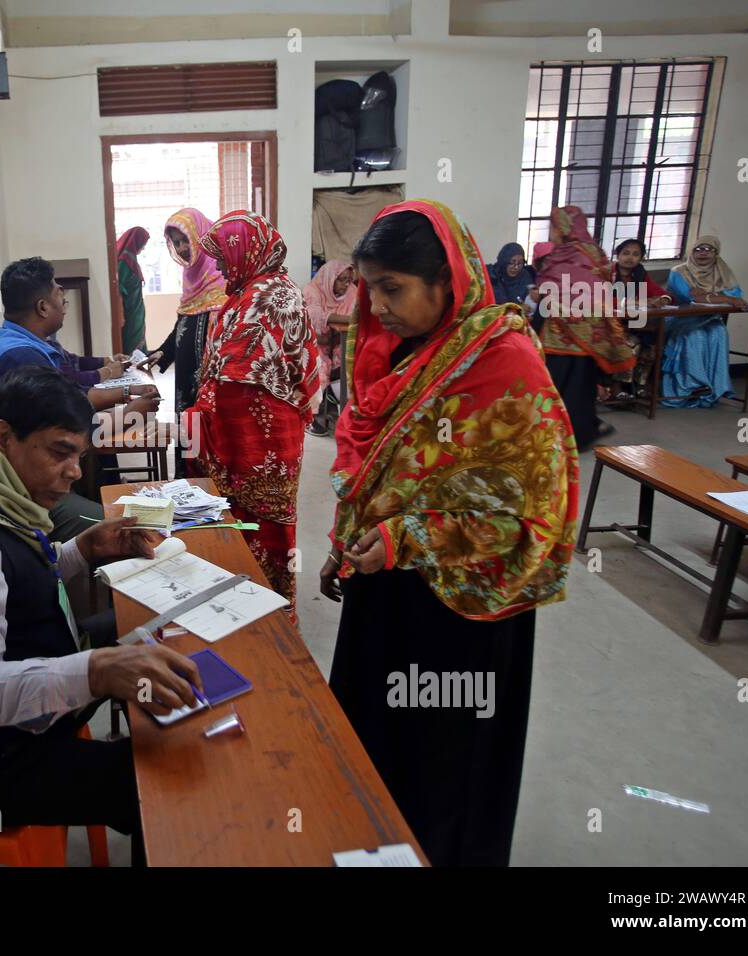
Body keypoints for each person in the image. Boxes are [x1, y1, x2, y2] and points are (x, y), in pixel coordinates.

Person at [322, 199, 579, 867]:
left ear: (449, 281)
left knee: (444, 764)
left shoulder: (506, 367)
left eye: (393, 288)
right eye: (371, 287)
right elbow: (372, 469)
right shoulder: (391, 351)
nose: (377, 307)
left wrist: (411, 537)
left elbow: (532, 515)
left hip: (462, 609)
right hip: (388, 592)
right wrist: (346, 539)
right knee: (378, 746)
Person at [0, 365, 203, 863]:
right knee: (160, 784)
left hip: (17, 698)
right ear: (5, 437)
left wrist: (81, 550)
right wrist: (96, 671)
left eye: (79, 455)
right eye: (60, 452)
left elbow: (17, 583)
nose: (74, 472)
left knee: (143, 636)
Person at [0, 257, 159, 539]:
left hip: (26, 474)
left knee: (110, 495)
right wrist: (130, 412)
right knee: (129, 529)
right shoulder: (21, 356)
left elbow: (69, 402)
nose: (64, 306)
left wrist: (127, 399)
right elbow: (71, 428)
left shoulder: (30, 342)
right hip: (8, 491)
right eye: (60, 296)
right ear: (43, 307)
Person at [183, 210, 319, 610]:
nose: (222, 267)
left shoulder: (271, 295)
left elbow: (235, 373)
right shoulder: (244, 293)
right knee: (237, 526)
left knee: (266, 530)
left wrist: (203, 411)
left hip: (263, 442)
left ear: (248, 252)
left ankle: (272, 614)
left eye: (226, 258)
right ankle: (241, 608)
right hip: (238, 438)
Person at [535, 206, 634, 450]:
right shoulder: (594, 253)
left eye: (553, 227)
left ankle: (559, 437)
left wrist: (542, 295)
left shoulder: (572, 255)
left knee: (557, 388)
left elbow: (564, 293)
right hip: (589, 337)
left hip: (562, 338)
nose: (551, 233)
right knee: (579, 388)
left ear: (565, 228)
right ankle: (579, 434)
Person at [143, 208, 227, 418]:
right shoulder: (191, 279)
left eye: (185, 240)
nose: (181, 248)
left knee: (208, 438)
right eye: (176, 242)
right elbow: (182, 328)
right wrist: (163, 352)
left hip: (215, 385)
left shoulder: (223, 281)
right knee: (189, 434)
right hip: (185, 381)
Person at [662, 235, 745, 408]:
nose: (703, 253)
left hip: (709, 317)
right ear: (691, 252)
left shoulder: (722, 271)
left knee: (719, 332)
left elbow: (736, 295)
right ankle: (689, 387)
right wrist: (722, 297)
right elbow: (691, 296)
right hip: (681, 319)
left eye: (708, 249)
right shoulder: (679, 272)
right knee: (695, 335)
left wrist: (712, 297)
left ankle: (712, 388)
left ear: (716, 253)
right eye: (698, 249)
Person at [607, 238, 673, 401]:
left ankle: (641, 385)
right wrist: (633, 301)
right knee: (630, 344)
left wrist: (662, 300)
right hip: (608, 325)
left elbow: (664, 294)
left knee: (651, 345)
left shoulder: (640, 274)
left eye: (636, 254)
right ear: (617, 255)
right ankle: (617, 387)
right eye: (626, 253)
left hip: (635, 324)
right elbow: (600, 298)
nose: (630, 258)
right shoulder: (607, 273)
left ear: (641, 258)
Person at [303, 260, 358, 438]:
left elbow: (358, 313)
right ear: (330, 278)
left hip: (337, 340)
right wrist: (349, 319)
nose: (346, 285)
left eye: (349, 280)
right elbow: (315, 318)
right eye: (342, 280)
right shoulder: (313, 290)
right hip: (312, 341)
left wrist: (345, 320)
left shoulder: (352, 292)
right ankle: (313, 416)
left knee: (352, 358)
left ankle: (344, 410)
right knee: (320, 365)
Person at [115, 226, 150, 353]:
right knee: (133, 344)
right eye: (143, 243)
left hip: (135, 309)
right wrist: (121, 313)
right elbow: (118, 287)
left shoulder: (130, 258)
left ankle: (138, 369)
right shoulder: (125, 260)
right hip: (130, 311)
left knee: (137, 340)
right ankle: (134, 370)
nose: (143, 247)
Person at [487, 242, 536, 307]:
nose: (516, 267)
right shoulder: (491, 275)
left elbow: (530, 302)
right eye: (512, 263)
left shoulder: (524, 277)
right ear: (504, 261)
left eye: (520, 263)